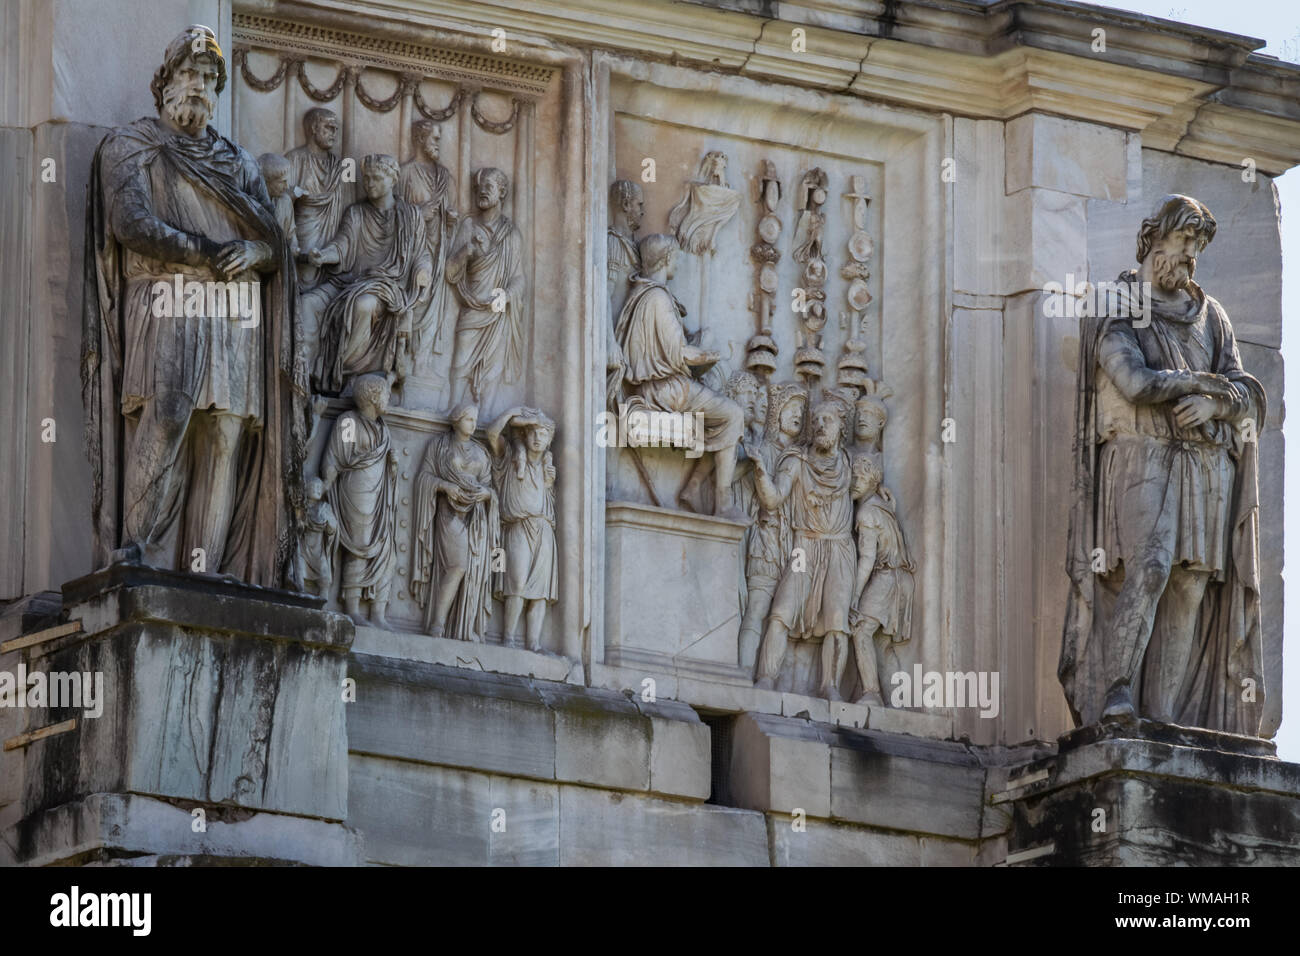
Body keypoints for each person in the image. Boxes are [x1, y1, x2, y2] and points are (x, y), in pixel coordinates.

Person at [83, 24, 302, 586]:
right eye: (189, 74)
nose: (200, 86)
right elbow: (131, 224)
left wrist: (254, 250)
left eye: (209, 78)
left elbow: (278, 248)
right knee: (170, 409)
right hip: (164, 297)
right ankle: (133, 551)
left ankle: (204, 568)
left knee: (226, 430)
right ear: (165, 82)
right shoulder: (132, 145)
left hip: (233, 311)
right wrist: (207, 253)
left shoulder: (239, 164)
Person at [1061, 194, 1266, 733]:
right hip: (1139, 454)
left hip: (1205, 466)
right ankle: (1116, 694)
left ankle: (1164, 716)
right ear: (1155, 238)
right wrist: (1201, 385)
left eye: (1198, 246)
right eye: (1184, 241)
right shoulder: (1116, 303)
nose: (1191, 255)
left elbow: (1250, 393)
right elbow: (1132, 382)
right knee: (1149, 566)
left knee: (1191, 586)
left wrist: (1218, 401)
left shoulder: (1212, 315)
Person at [615, 233, 745, 519]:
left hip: (658, 387)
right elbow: (679, 354)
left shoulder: (641, 295)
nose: (677, 262)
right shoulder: (657, 298)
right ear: (666, 259)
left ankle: (694, 486)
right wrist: (711, 355)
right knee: (733, 415)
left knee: (717, 413)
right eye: (674, 257)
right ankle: (721, 503)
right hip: (667, 389)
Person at [752, 398, 855, 698]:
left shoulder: (848, 464)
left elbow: (871, 482)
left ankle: (831, 686)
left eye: (829, 420)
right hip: (804, 546)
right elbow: (772, 500)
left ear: (840, 428)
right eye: (817, 420)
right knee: (782, 610)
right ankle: (766, 678)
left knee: (837, 620)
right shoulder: (796, 461)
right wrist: (760, 471)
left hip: (840, 548)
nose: (821, 425)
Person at [307, 154, 432, 397]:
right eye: (367, 178)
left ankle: (344, 372)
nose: (369, 183)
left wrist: (423, 272)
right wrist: (323, 256)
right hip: (348, 282)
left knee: (363, 306)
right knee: (306, 304)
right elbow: (342, 246)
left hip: (385, 286)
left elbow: (422, 254)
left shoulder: (410, 216)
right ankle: (307, 375)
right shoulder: (356, 213)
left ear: (392, 180)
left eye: (376, 178)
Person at [411, 404, 500, 641]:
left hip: (476, 515)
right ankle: (437, 623)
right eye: (468, 419)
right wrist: (446, 486)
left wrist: (486, 494)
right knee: (458, 565)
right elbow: (423, 478)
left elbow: (491, 487)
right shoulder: (439, 446)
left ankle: (464, 626)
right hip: (449, 511)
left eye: (475, 419)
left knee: (473, 571)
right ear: (456, 420)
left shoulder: (481, 452)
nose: (473, 424)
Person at [320, 374, 397, 627]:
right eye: (385, 394)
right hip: (357, 493)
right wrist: (323, 489)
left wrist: (392, 465)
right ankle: (352, 608)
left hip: (379, 496)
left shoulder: (381, 426)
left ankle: (378, 612)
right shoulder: (349, 422)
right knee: (359, 546)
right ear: (373, 397)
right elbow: (335, 459)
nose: (389, 399)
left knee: (387, 551)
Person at [447, 167, 526, 407]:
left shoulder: (511, 234)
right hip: (471, 308)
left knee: (493, 372)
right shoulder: (468, 226)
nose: (482, 191)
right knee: (460, 364)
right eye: (479, 187)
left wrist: (506, 295)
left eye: (488, 187)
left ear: (501, 192)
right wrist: (465, 252)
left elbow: (518, 278)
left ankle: (484, 421)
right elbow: (450, 273)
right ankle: (452, 411)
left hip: (497, 314)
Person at [486, 407, 558, 651]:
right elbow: (492, 433)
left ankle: (534, 643)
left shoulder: (549, 469)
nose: (538, 438)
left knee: (540, 593)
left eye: (544, 434)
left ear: (549, 441)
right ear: (525, 436)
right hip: (515, 527)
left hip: (544, 529)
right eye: (534, 433)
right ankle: (508, 638)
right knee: (514, 584)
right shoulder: (510, 457)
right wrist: (513, 413)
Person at [848, 456, 914, 706]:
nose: (855, 482)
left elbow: (866, 558)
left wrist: (854, 597)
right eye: (853, 477)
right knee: (882, 644)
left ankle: (872, 693)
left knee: (861, 630)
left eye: (861, 478)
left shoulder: (866, 513)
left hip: (886, 578)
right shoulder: (884, 505)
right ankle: (899, 701)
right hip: (902, 580)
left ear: (873, 480)